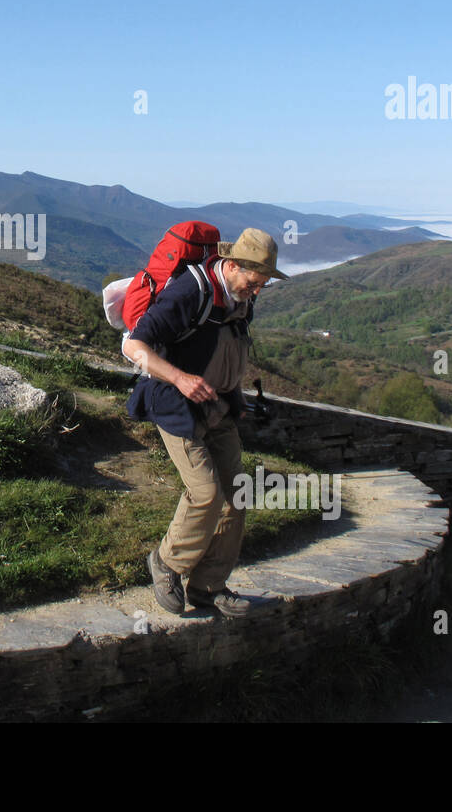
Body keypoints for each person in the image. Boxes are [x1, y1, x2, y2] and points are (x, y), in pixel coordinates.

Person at [122, 228, 287, 618]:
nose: (257, 290)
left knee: (238, 496)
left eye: (263, 284)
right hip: (174, 406)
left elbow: (225, 350)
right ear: (231, 266)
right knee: (206, 493)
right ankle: (167, 565)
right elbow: (134, 346)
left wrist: (235, 396)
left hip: (218, 406)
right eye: (253, 281)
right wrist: (179, 378)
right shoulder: (190, 292)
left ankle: (209, 586)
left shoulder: (240, 298)